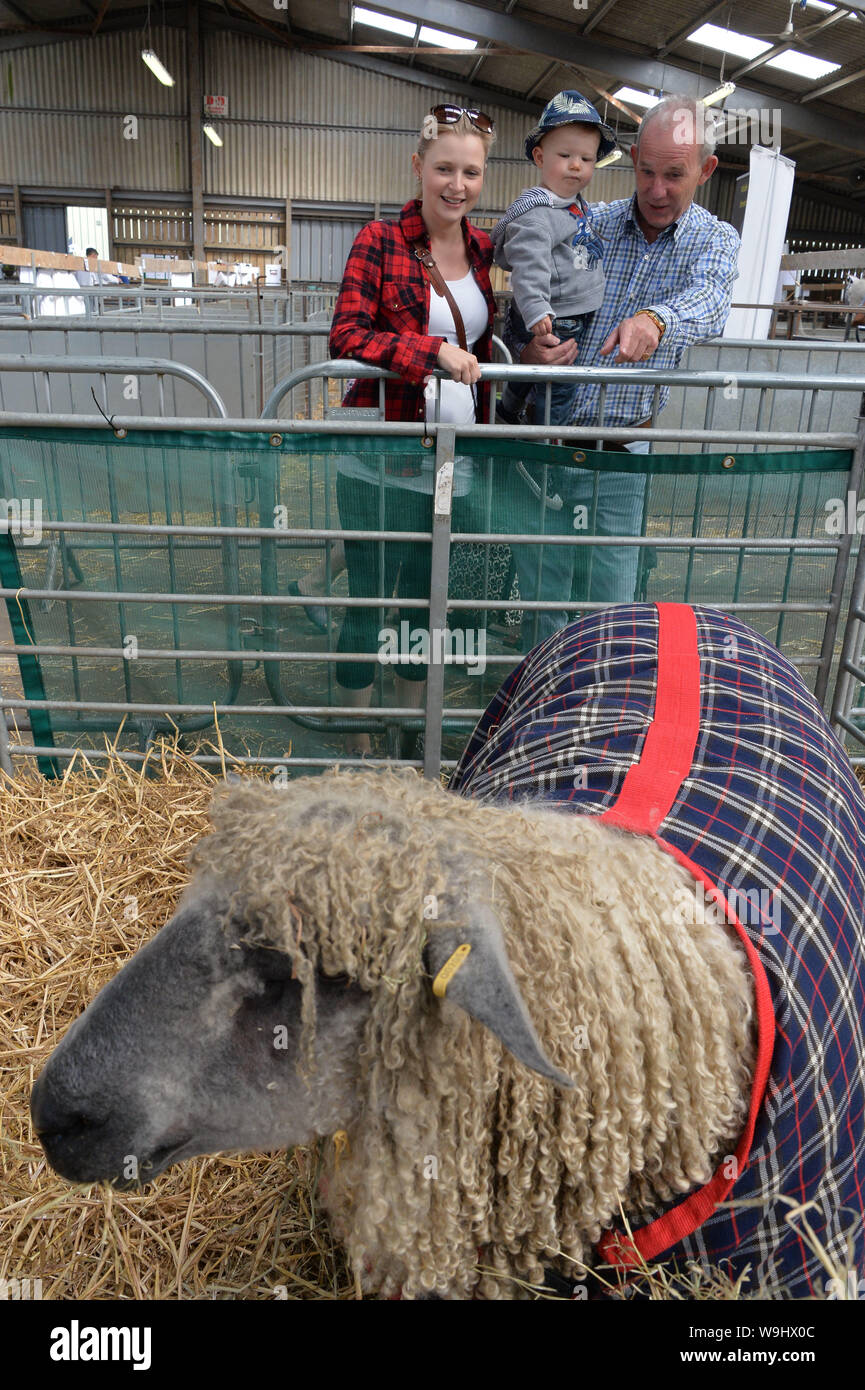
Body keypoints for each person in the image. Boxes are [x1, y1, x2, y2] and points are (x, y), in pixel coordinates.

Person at [504, 94, 741, 649]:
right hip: (550, 442)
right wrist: (527, 348)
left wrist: (658, 319)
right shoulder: (589, 222)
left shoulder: (715, 239)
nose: (657, 190)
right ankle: (547, 706)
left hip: (622, 450)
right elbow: (527, 292)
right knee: (542, 591)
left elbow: (712, 298)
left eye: (675, 175)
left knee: (613, 595)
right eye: (647, 171)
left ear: (705, 171)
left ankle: (609, 711)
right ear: (632, 159)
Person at [326, 105, 497, 756]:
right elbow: (345, 334)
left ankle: (405, 729)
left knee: (427, 603)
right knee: (371, 600)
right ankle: (355, 736)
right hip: (381, 451)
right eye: (445, 168)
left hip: (452, 457)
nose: (457, 184)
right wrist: (430, 351)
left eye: (471, 172)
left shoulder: (482, 248)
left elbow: (487, 339)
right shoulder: (379, 240)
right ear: (418, 168)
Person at [492, 90, 615, 427]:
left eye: (587, 159)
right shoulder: (537, 214)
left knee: (533, 371)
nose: (576, 165)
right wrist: (535, 309)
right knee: (557, 385)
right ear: (539, 157)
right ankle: (548, 440)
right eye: (565, 155)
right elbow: (528, 265)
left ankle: (507, 409)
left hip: (568, 308)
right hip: (556, 314)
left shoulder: (572, 204)